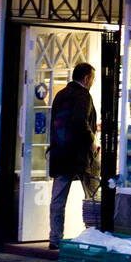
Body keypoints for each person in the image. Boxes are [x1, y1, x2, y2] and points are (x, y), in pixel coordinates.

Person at [47, 62, 100, 249]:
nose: (92, 82)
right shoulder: (83, 96)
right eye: (93, 78)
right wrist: (92, 141)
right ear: (86, 78)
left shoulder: (60, 95)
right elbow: (80, 122)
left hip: (60, 155)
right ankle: (95, 237)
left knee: (58, 200)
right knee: (93, 196)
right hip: (80, 157)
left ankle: (55, 238)